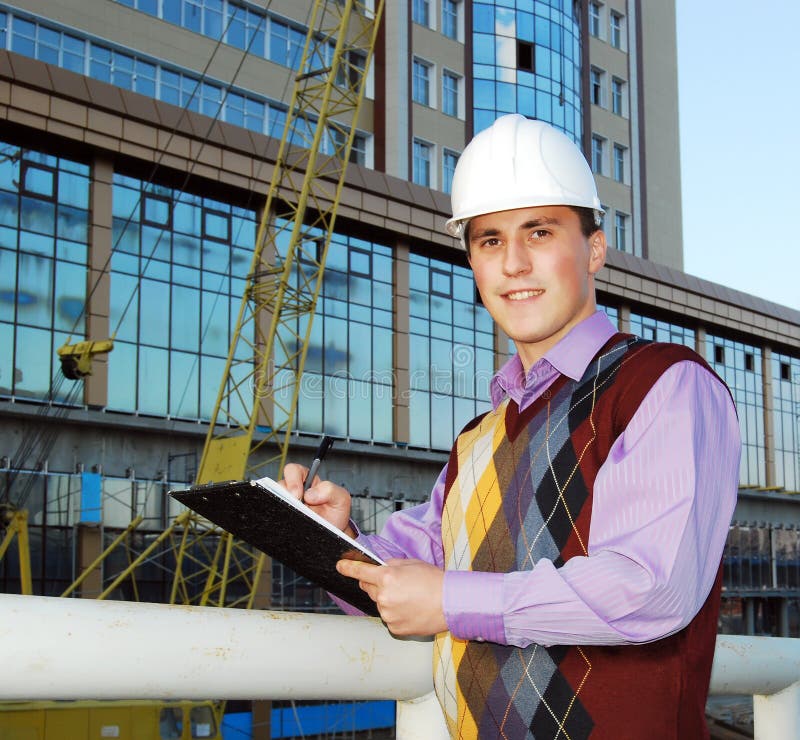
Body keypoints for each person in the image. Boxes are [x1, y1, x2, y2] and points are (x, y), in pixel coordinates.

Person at [283, 114, 740, 739]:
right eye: (490, 241)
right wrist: (334, 536)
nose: (515, 264)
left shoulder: (664, 383)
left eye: (540, 232)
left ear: (595, 249)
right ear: (473, 261)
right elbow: (411, 580)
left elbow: (649, 587)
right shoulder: (478, 437)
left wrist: (452, 601)